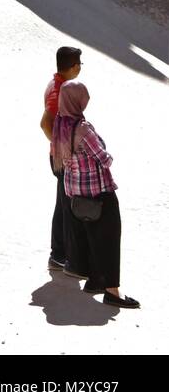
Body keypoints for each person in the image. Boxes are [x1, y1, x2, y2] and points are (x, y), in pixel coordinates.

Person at [53, 81, 139, 308]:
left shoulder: (59, 125)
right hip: (98, 193)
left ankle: (94, 281)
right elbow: (104, 158)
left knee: (92, 238)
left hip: (76, 194)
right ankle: (112, 292)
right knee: (109, 241)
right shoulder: (83, 129)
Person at [41, 46, 88, 275]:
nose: (80, 67)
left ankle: (59, 255)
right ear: (72, 67)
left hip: (60, 157)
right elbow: (45, 123)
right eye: (78, 63)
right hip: (62, 159)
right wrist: (62, 147)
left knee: (63, 205)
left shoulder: (59, 84)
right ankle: (62, 256)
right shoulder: (58, 90)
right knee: (68, 207)